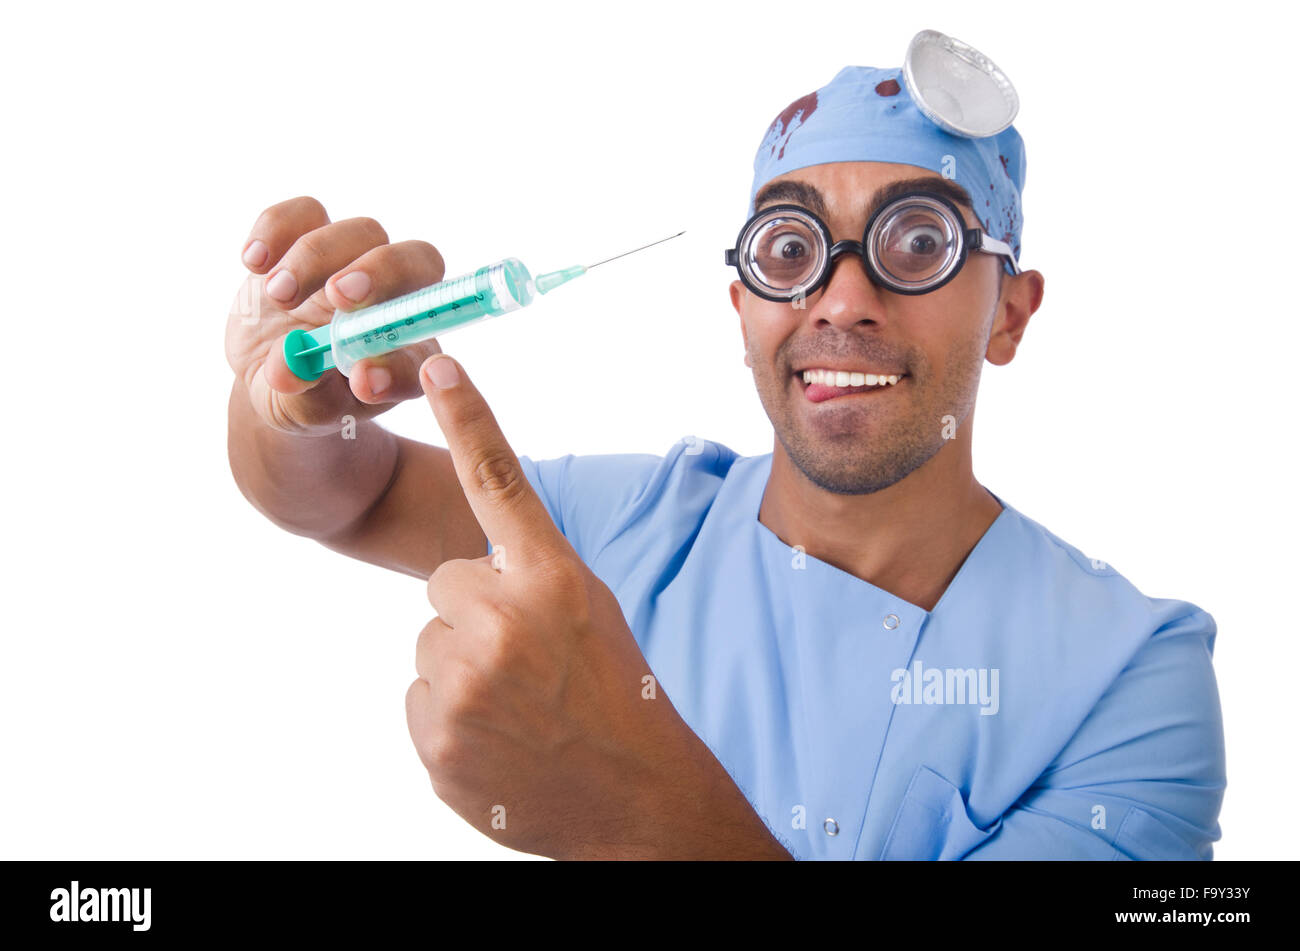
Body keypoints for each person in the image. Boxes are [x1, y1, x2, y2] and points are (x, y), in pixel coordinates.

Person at [225, 60, 1226, 861]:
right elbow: (348, 496)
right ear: (741, 307)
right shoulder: (631, 522)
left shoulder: (1130, 681)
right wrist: (289, 406)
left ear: (1008, 312)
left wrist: (632, 816)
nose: (840, 301)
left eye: (915, 242)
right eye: (790, 251)